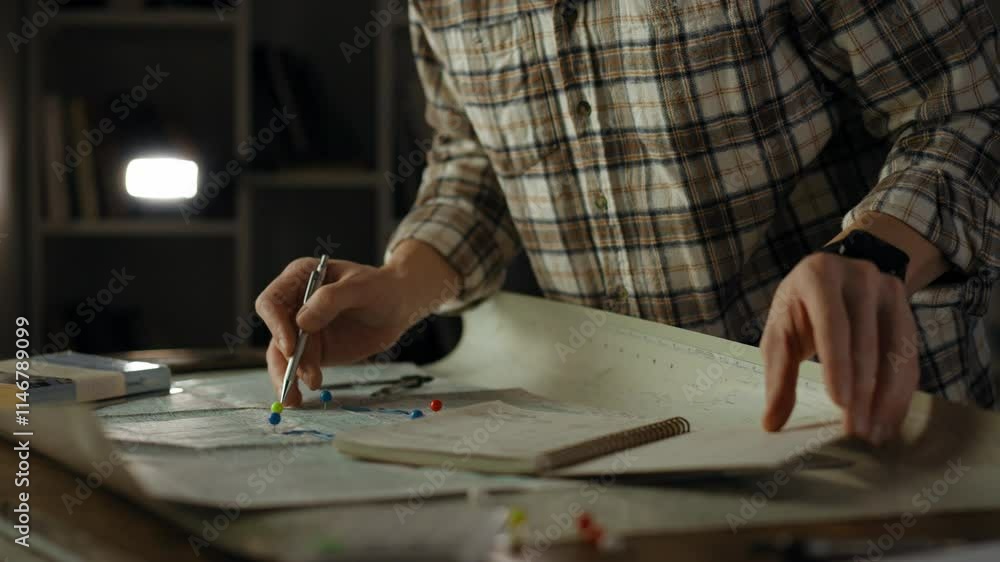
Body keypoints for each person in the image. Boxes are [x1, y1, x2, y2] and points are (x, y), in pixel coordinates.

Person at [256, 0, 1000, 445]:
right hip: (614, 432)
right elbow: (478, 158)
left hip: (857, 418)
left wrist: (874, 252)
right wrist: (400, 287)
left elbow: (971, 104)